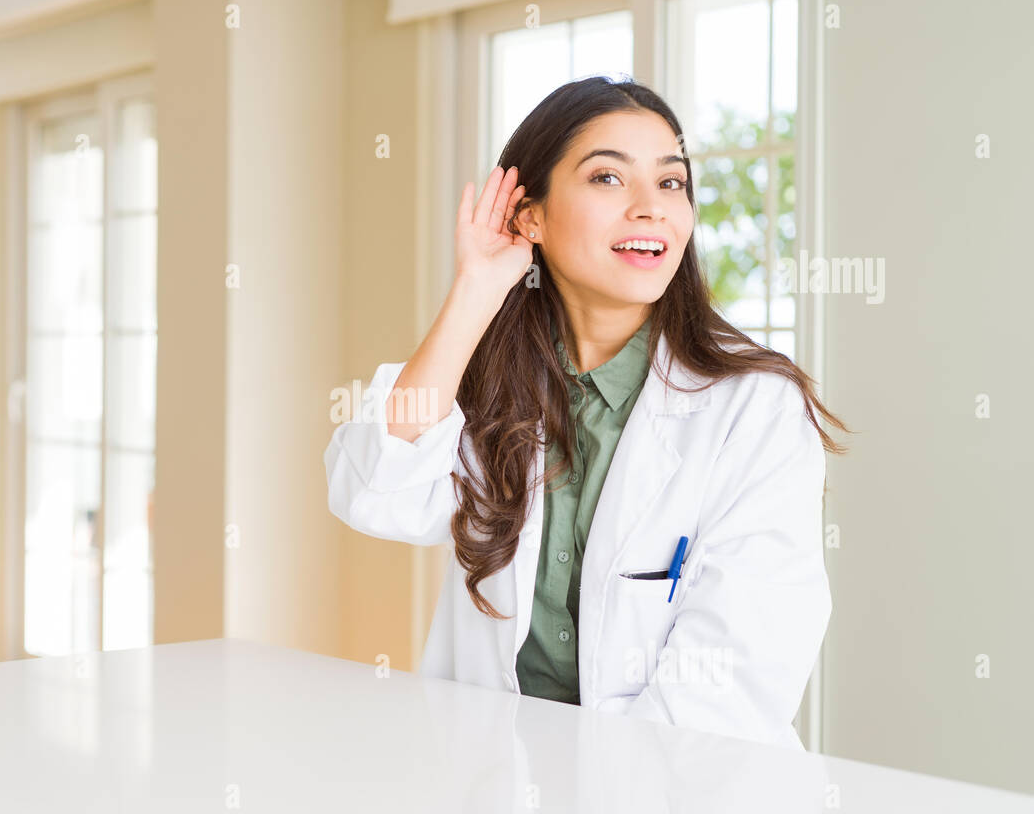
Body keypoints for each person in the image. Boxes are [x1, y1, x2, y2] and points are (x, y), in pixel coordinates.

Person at [324, 76, 848, 751]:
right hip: (497, 784)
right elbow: (371, 494)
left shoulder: (756, 410)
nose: (651, 208)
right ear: (530, 215)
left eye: (671, 183)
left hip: (682, 792)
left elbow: (735, 674)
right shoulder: (491, 391)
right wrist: (475, 292)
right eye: (608, 178)